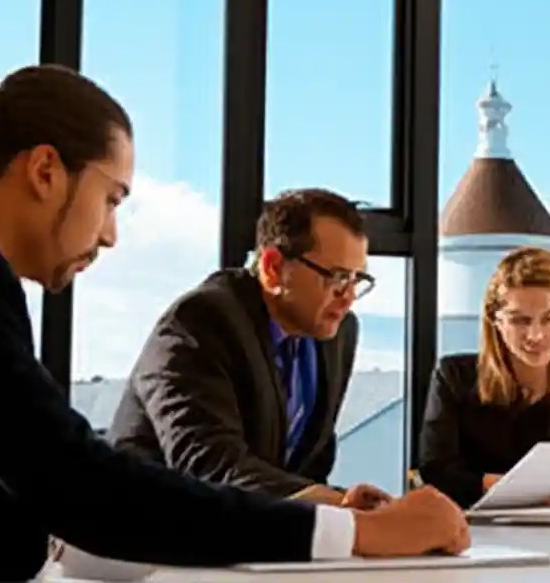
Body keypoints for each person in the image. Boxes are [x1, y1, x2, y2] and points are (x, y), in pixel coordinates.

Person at [0, 65, 468, 581]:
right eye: (113, 198)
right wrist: (360, 534)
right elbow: (76, 483)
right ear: (45, 170)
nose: (111, 234)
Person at [109, 188, 386, 508]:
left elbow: (310, 462)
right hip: (144, 530)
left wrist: (356, 506)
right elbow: (210, 466)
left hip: (253, 535)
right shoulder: (201, 320)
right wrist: (339, 505)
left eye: (357, 279)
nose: (349, 296)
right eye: (337, 277)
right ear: (272, 268)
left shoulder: (339, 333)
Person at [418, 246, 550, 509]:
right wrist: (524, 492)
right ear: (496, 320)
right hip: (476, 534)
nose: (535, 335)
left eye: (549, 319)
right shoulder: (455, 377)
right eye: (520, 321)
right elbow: (438, 473)